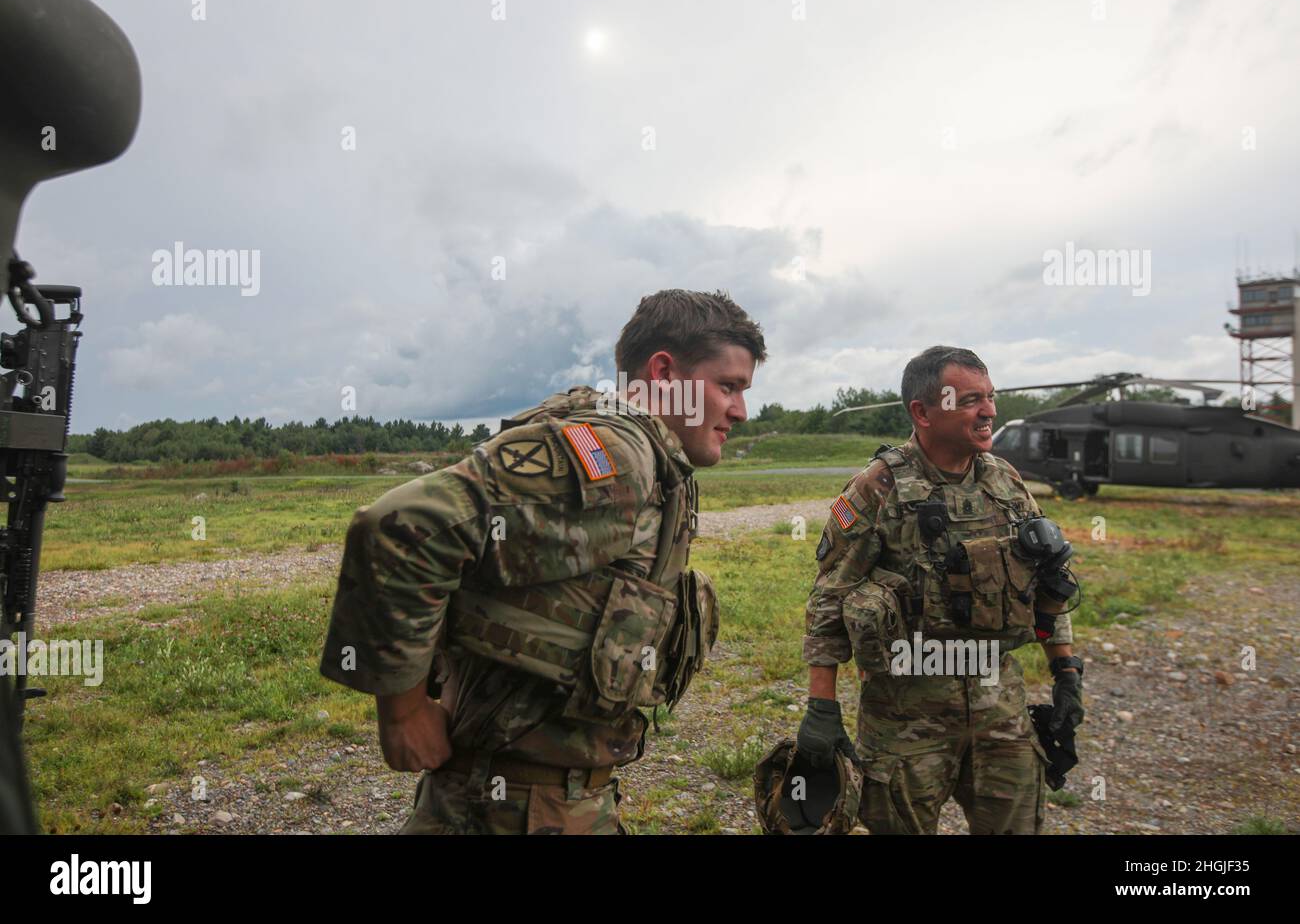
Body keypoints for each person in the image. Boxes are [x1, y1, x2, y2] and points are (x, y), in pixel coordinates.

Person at [320, 289, 765, 833]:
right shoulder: (619, 455)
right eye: (728, 387)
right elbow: (405, 526)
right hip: (505, 808)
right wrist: (404, 712)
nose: (740, 411)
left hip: (551, 797)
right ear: (665, 372)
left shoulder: (651, 460)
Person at [799, 346, 1084, 834]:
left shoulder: (1004, 480)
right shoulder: (879, 486)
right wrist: (821, 707)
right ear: (922, 412)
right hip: (905, 717)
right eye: (972, 400)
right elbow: (830, 595)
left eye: (990, 398)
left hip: (1001, 708)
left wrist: (1066, 672)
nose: (990, 411)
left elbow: (1046, 579)